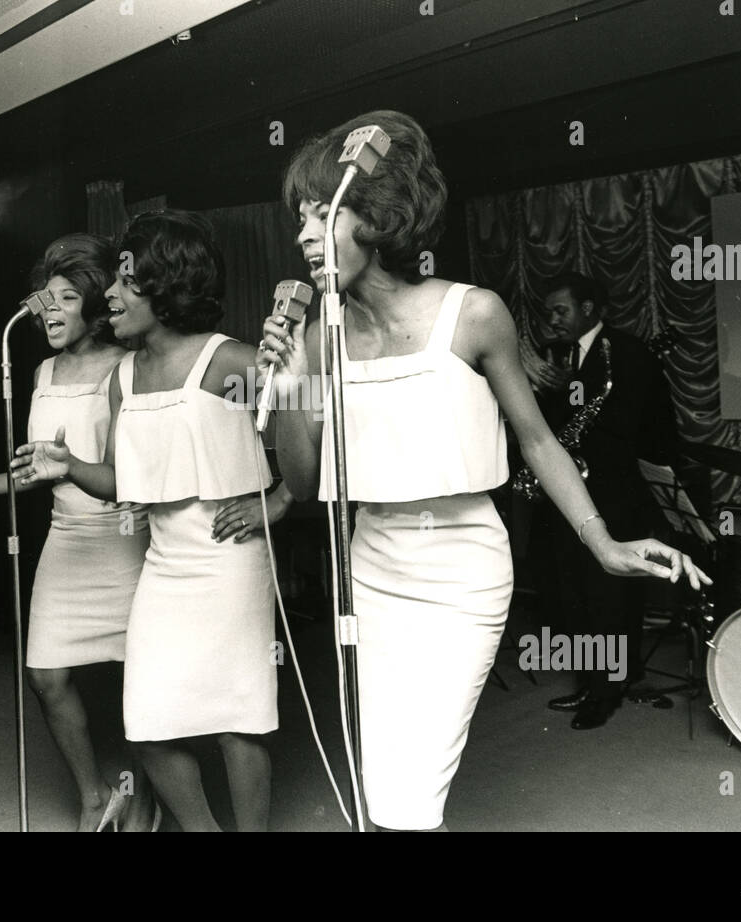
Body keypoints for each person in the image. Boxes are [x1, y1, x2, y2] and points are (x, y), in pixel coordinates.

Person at [260, 109, 707, 831]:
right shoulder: (318, 337)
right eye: (301, 221)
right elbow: (307, 485)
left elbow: (537, 441)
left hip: (461, 570)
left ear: (375, 216)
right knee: (380, 787)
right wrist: (284, 391)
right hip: (370, 568)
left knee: (408, 797)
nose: (304, 236)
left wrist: (605, 544)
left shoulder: (472, 315)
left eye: (321, 216)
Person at [11, 210, 292, 832]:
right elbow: (121, 482)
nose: (109, 294)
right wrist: (68, 465)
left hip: (229, 562)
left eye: (128, 281)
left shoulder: (229, 361)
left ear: (165, 287)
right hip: (162, 565)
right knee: (148, 721)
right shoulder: (125, 376)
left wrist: (279, 500)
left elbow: (316, 430)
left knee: (236, 718)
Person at [0, 234, 157, 832]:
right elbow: (33, 472)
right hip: (66, 541)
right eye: (46, 298)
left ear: (95, 305)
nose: (50, 312)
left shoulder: (127, 368)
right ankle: (95, 795)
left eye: (67, 298)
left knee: (140, 685)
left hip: (122, 540)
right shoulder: (42, 370)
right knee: (46, 675)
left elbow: (127, 477)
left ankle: (144, 795)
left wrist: (70, 467)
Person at [528, 272, 681, 729]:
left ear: (590, 309)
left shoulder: (628, 354)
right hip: (564, 495)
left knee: (609, 596)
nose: (552, 320)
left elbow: (653, 428)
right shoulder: (550, 358)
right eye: (548, 312)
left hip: (614, 493)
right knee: (571, 593)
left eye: (562, 311)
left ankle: (605, 691)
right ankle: (600, 679)